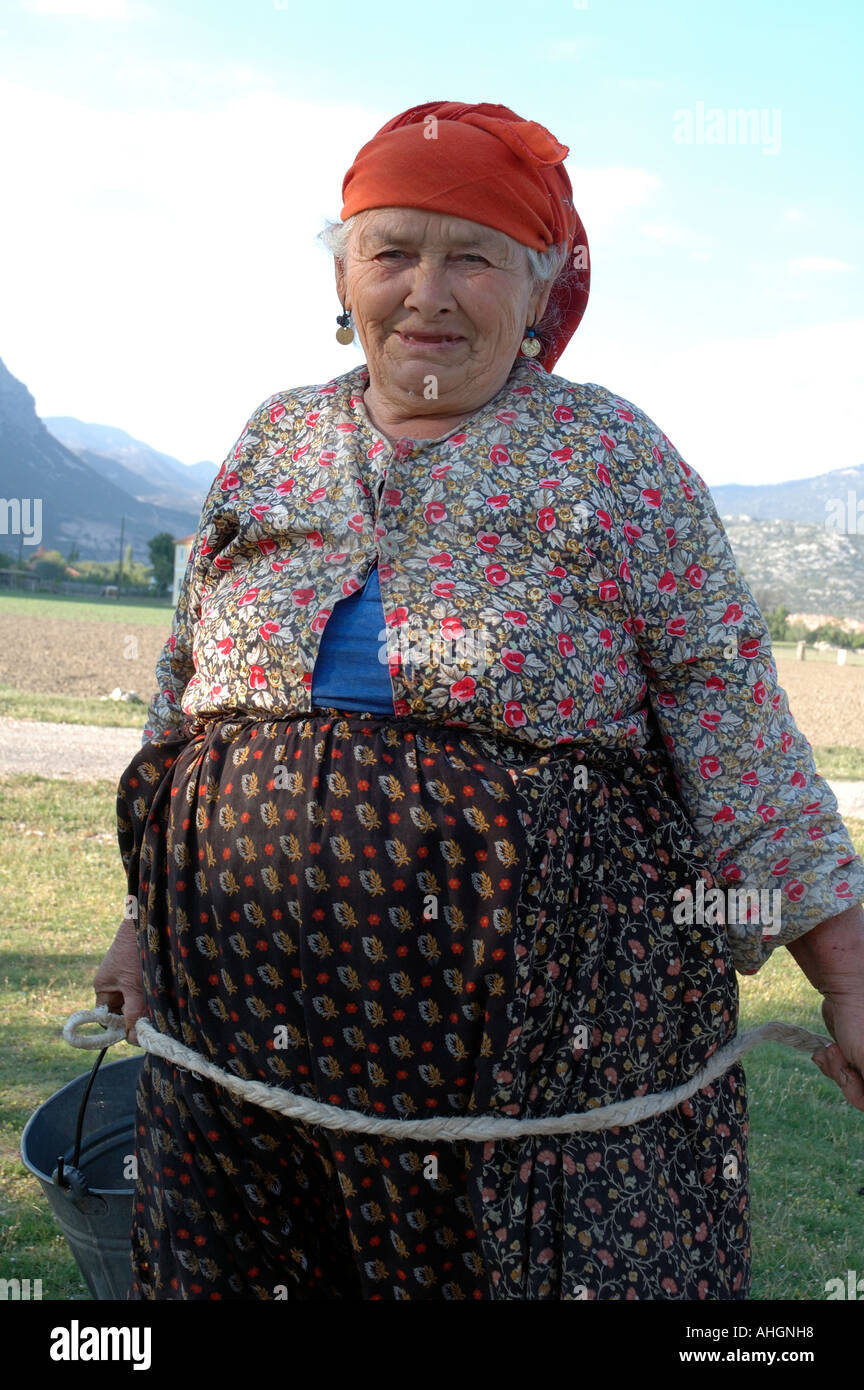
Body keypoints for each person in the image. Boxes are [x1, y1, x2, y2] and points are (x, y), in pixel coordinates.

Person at [94, 99, 864, 1302]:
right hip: (234, 1029)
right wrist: (145, 916)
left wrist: (849, 970)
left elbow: (734, 725)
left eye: (473, 257)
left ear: (541, 284)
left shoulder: (614, 459)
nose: (428, 292)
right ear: (343, 275)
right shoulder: (275, 439)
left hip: (544, 1048)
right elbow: (183, 698)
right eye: (392, 250)